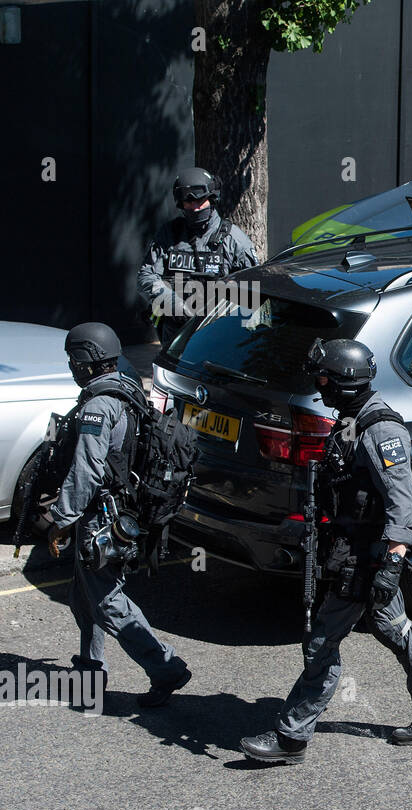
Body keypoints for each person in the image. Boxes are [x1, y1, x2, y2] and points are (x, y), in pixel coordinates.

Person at [240, 339, 412, 764]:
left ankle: (292, 736)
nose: (320, 385)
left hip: (366, 558)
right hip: (354, 549)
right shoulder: (352, 422)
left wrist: (391, 564)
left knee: (321, 641)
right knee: (394, 628)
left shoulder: (380, 431)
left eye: (324, 378)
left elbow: (404, 504)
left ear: (345, 380)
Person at [47, 323, 192, 706]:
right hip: (119, 513)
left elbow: (87, 471)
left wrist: (61, 520)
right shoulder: (128, 388)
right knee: (84, 597)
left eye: (73, 360)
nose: (71, 367)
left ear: (86, 360)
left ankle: (166, 668)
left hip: (99, 519)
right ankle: (89, 673)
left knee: (109, 602)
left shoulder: (97, 406)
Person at [137, 167, 258, 349]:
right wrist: (173, 303)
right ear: (180, 203)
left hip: (218, 334)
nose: (195, 207)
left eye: (200, 200)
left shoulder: (234, 239)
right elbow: (146, 275)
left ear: (211, 198)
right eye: (188, 201)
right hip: (175, 335)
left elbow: (252, 291)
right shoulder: (169, 234)